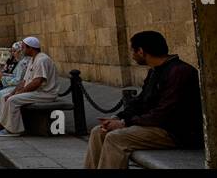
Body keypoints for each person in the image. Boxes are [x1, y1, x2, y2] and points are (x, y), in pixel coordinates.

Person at [85, 31, 203, 169]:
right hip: (155, 125)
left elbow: (164, 113)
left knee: (115, 138)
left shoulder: (179, 72)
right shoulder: (155, 71)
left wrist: (125, 123)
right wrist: (117, 118)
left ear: (141, 51)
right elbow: (141, 102)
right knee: (99, 132)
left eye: (133, 51)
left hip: (175, 132)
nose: (132, 55)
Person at [0, 36, 59, 136]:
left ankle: (13, 130)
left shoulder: (42, 60)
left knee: (12, 100)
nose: (22, 50)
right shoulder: (32, 60)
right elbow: (24, 81)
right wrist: (13, 93)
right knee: (6, 97)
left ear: (31, 48)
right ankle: (3, 124)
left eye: (24, 47)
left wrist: (18, 94)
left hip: (46, 93)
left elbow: (37, 82)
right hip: (37, 92)